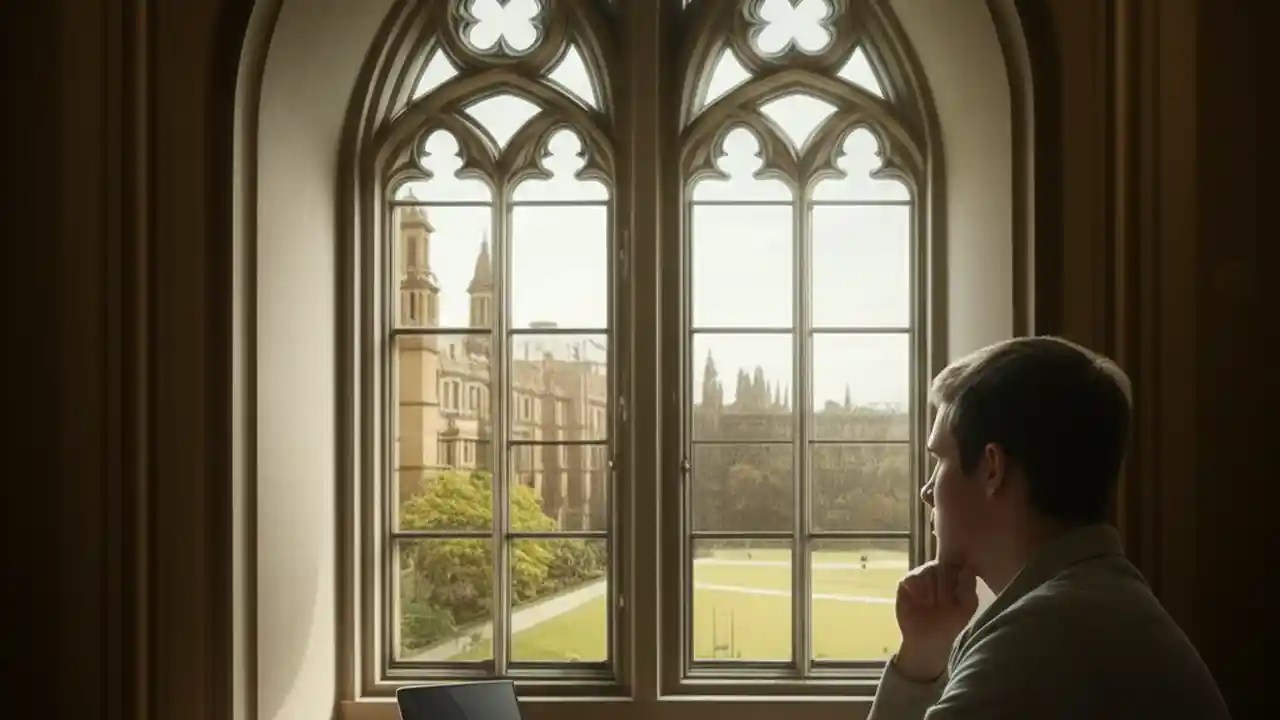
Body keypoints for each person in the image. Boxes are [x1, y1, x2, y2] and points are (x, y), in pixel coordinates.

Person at [869, 337, 1230, 719]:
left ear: (992, 468)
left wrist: (913, 673)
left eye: (941, 460)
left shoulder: (1038, 641)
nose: (927, 491)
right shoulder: (1091, 606)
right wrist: (923, 655)